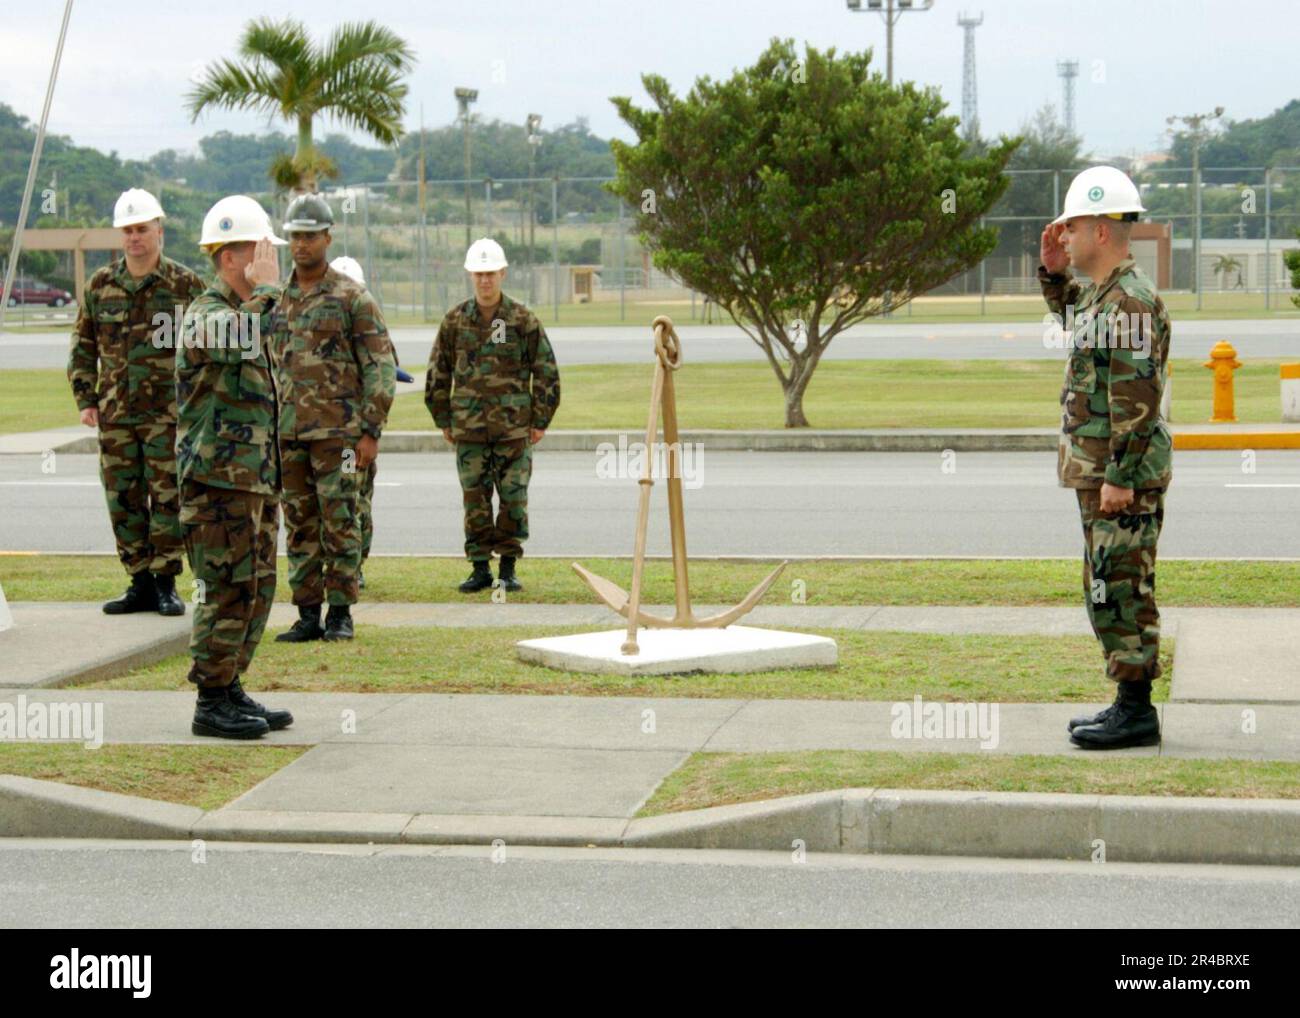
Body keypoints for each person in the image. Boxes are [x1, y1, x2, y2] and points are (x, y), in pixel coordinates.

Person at [1038, 166, 1172, 750]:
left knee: (1123, 589)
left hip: (1120, 480)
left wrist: (1119, 476)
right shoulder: (1103, 295)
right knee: (1104, 585)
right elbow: (1072, 319)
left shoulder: (1132, 304)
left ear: (1100, 228)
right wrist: (1051, 274)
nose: (1062, 236)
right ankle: (1126, 701)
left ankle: (1137, 712)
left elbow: (1137, 400)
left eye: (1069, 228)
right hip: (1100, 475)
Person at [177, 195, 293, 739]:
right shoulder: (206, 315)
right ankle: (209, 701)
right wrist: (268, 290)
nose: (270, 258)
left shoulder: (254, 314)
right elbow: (238, 338)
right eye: (259, 248)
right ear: (229, 256)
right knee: (224, 587)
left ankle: (229, 685)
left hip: (254, 481)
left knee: (257, 586)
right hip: (215, 482)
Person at [67, 188, 204, 616]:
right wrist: (86, 398)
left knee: (167, 497)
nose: (134, 238)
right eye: (127, 231)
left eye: (142, 229)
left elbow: (204, 346)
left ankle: (166, 583)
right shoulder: (101, 285)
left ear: (159, 230)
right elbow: (82, 344)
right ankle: (138, 581)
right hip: (116, 414)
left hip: (168, 415)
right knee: (122, 498)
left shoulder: (185, 285)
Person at [270, 196, 395, 643]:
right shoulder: (277, 298)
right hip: (290, 435)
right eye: (295, 236)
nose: (301, 244)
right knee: (300, 523)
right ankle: (307, 613)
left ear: (327, 237)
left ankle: (340, 613)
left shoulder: (352, 297)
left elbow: (379, 366)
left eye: (310, 236)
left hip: (339, 437)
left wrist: (370, 430)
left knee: (340, 520)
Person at [425, 238, 560, 593]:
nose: (485, 281)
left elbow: (545, 370)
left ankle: (509, 566)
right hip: (469, 430)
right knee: (475, 501)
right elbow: (438, 373)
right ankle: (480, 567)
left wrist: (540, 420)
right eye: (478, 274)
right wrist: (444, 420)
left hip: (514, 431)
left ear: (502, 273)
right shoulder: (454, 321)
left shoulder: (522, 320)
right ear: (470, 276)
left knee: (514, 498)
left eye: (491, 273)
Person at [327, 255, 415, 591]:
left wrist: (371, 430)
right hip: (324, 436)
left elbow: (387, 373)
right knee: (330, 504)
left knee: (354, 499)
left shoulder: (370, 327)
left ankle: (353, 566)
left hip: (355, 436)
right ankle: (335, 566)